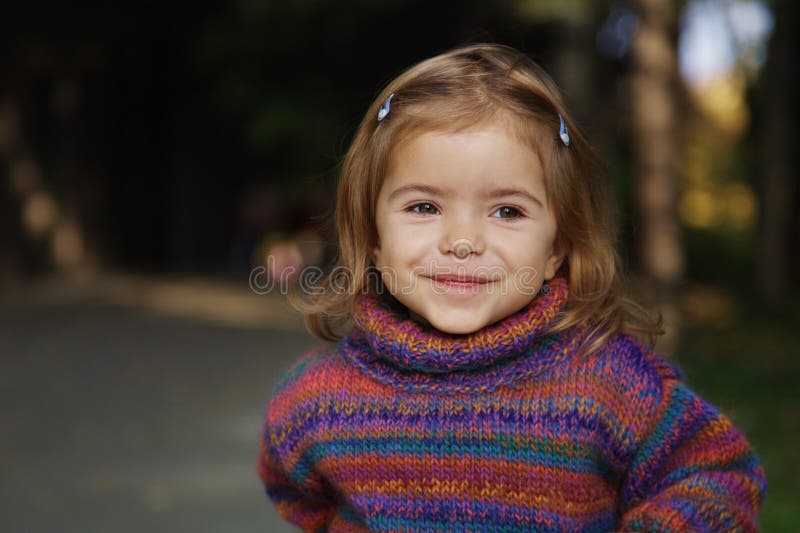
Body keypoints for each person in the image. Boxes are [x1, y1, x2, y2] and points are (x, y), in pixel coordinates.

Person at [257, 43, 767, 532]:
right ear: (372, 238)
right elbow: (294, 490)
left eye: (507, 211)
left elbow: (715, 474)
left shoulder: (608, 381)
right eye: (424, 207)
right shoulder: (317, 398)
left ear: (556, 250)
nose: (462, 241)